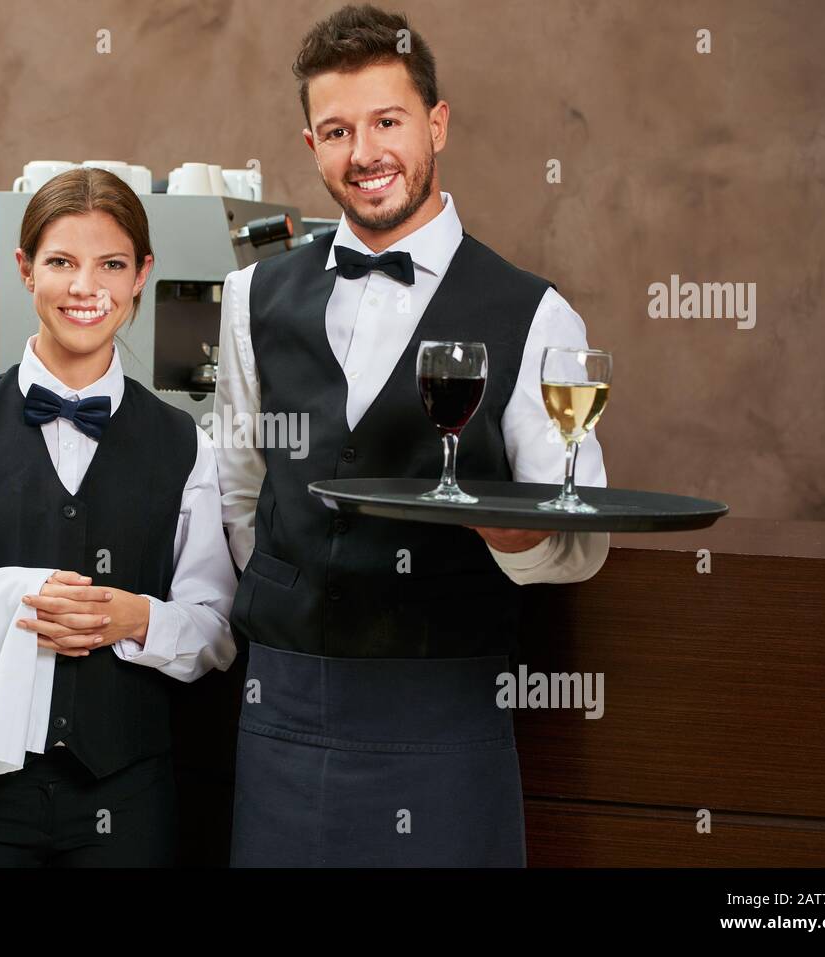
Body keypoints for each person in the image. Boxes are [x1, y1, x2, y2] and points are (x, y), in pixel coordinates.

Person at [215, 4, 609, 866]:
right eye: (336, 130)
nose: (364, 154)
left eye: (387, 121)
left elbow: (581, 538)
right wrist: (292, 594)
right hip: (282, 707)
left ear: (436, 123)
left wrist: (519, 534)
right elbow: (238, 489)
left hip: (444, 704)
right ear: (311, 143)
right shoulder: (251, 298)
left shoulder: (536, 315)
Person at [0, 167, 237, 867]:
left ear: (140, 276)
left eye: (111, 264)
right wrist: (9, 601)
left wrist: (134, 619)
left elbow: (216, 627)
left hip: (126, 800)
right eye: (61, 261)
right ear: (26, 270)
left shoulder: (190, 446)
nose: (86, 287)